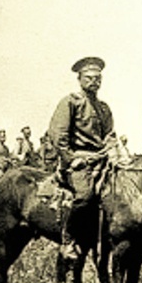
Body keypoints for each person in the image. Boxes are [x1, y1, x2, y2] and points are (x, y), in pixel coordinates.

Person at [48, 56, 116, 263]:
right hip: (79, 160)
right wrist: (71, 159)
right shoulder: (70, 102)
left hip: (101, 159)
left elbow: (110, 135)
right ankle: (68, 239)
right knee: (85, 196)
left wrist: (111, 150)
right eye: (89, 77)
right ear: (79, 79)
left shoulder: (104, 107)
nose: (94, 81)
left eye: (98, 78)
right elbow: (57, 135)